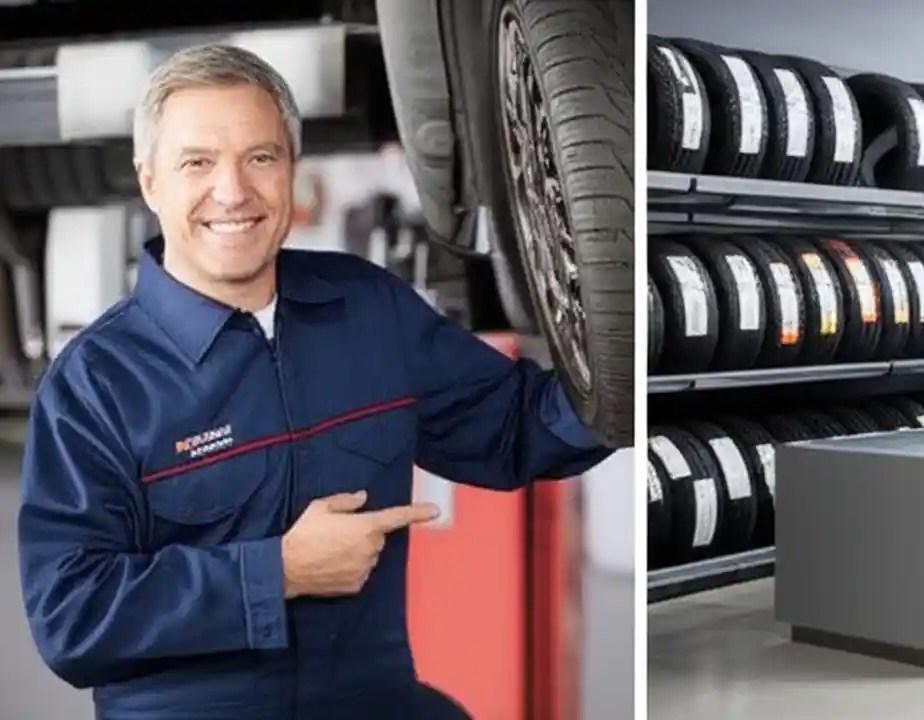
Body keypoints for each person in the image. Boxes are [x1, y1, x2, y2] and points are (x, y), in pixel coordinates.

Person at [16, 44, 613, 720]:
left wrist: (631, 363)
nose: (233, 190)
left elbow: (514, 428)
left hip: (370, 697)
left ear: (292, 169)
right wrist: (277, 573)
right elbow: (71, 616)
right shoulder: (96, 384)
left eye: (260, 157)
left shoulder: (366, 308)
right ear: (150, 181)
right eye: (198, 163)